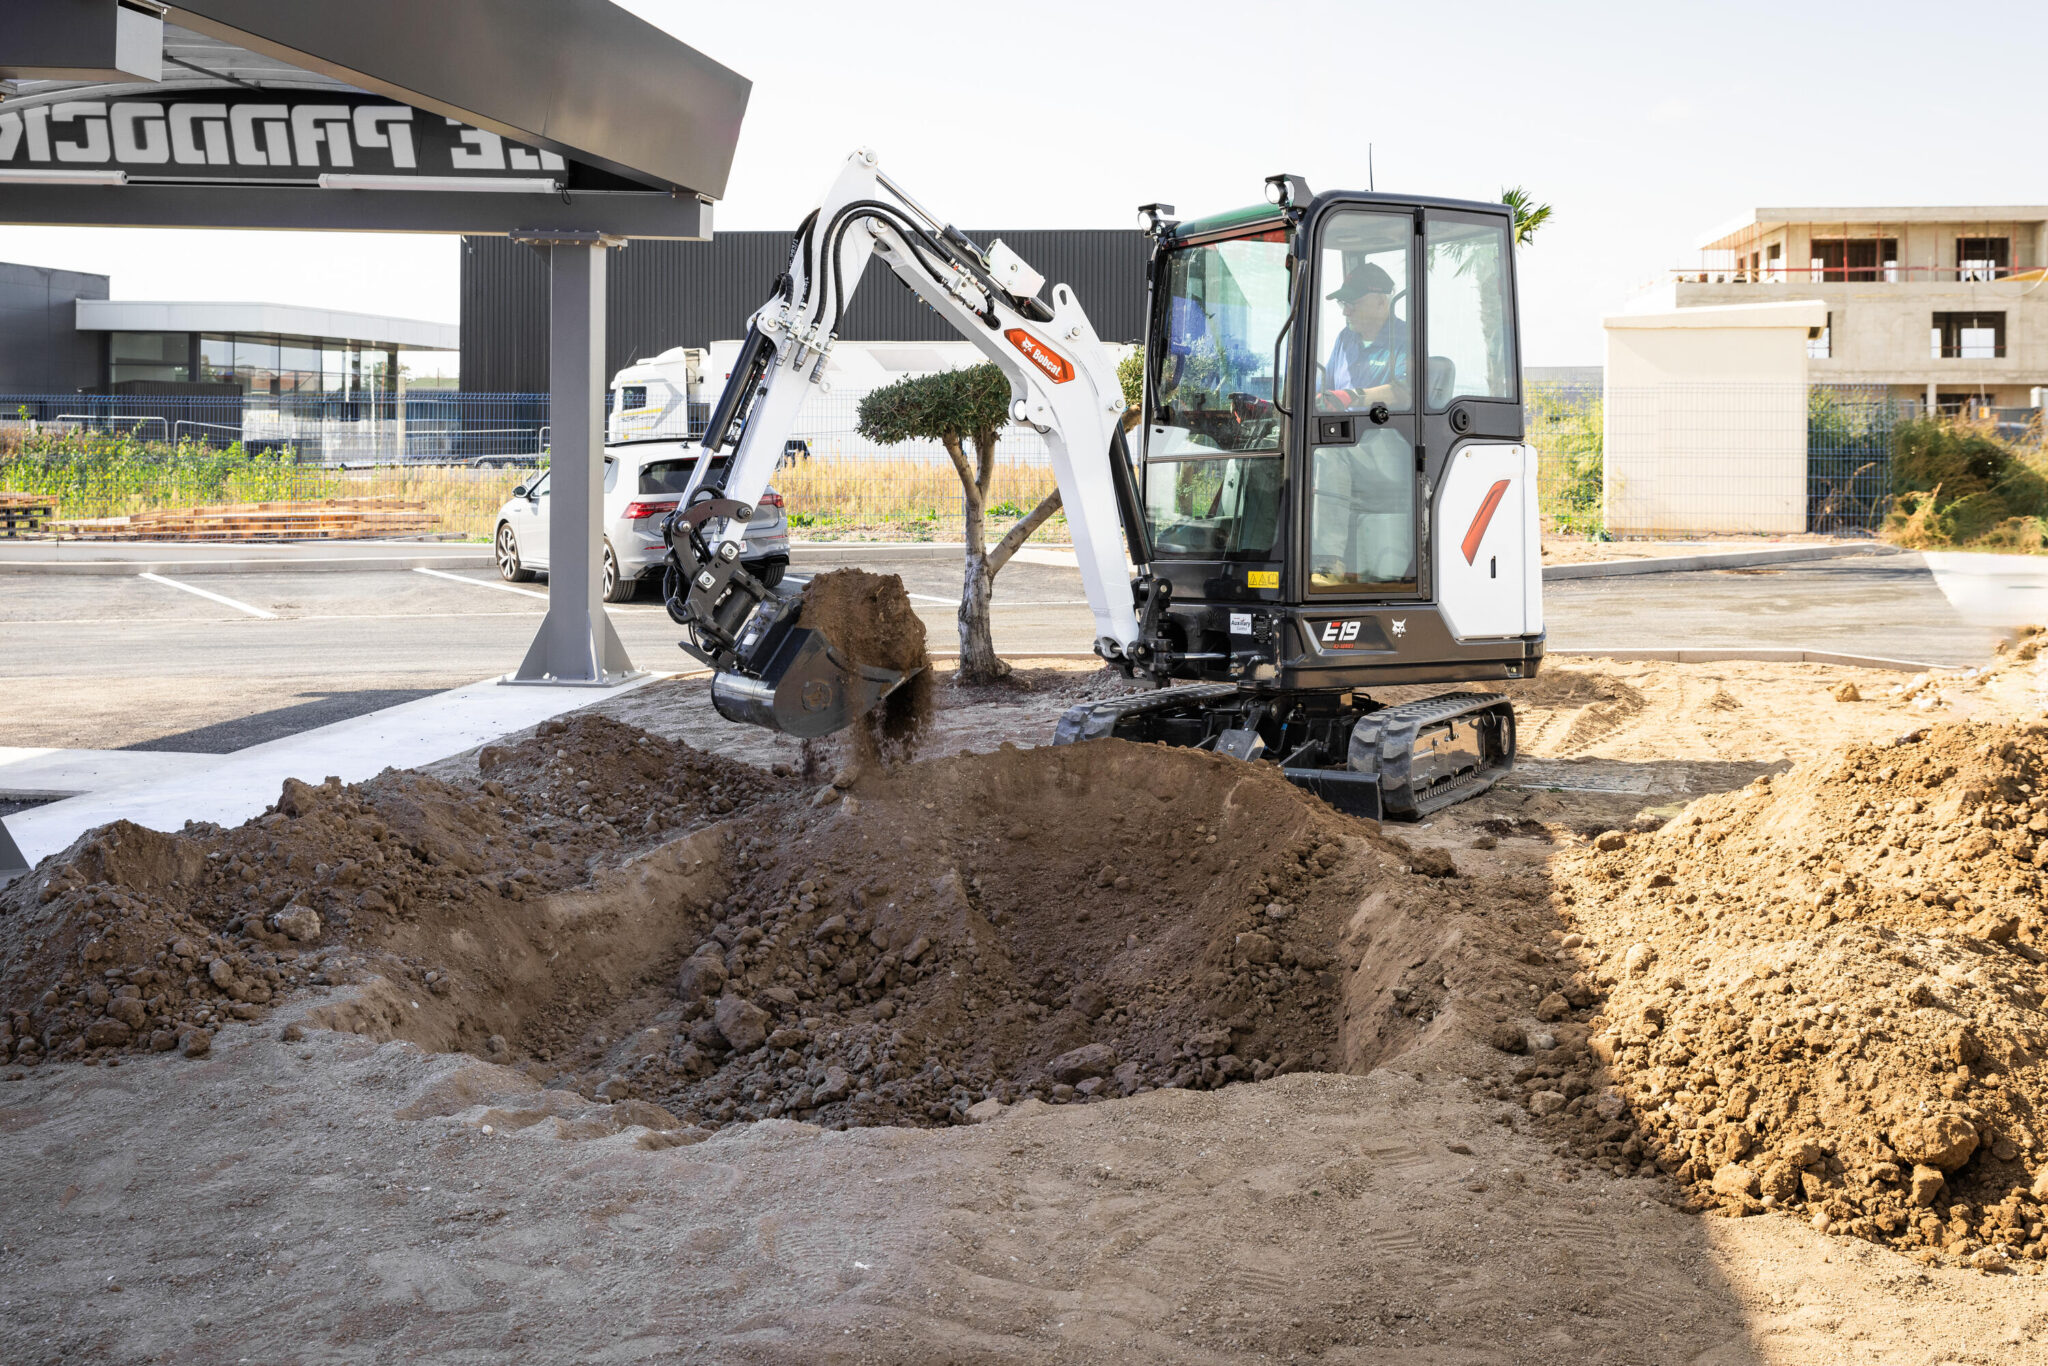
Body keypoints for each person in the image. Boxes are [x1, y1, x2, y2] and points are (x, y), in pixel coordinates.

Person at [1318, 261, 1410, 411]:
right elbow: (1323, 388)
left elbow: (1405, 392)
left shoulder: (1406, 339)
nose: (1345, 312)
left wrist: (1351, 396)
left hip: (1382, 431)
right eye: (1343, 303)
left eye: (1352, 304)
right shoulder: (1345, 338)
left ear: (1381, 301)